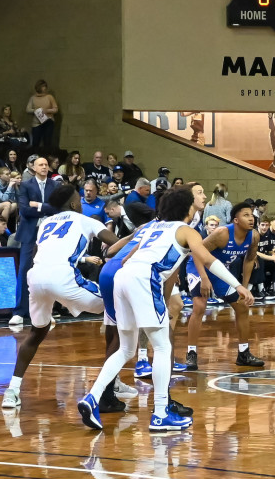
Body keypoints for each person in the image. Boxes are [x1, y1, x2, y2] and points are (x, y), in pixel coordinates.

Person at [78, 185, 251, 432]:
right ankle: (160, 414)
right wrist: (238, 286)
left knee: (126, 348)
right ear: (188, 207)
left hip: (123, 278)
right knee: (162, 346)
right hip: (144, 279)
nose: (199, 201)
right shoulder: (186, 230)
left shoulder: (150, 227)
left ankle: (92, 397)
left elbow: (126, 256)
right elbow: (208, 259)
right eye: (196, 199)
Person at [1, 182, 120, 410]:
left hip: (35, 278)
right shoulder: (86, 220)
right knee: (117, 308)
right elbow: (115, 243)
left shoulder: (46, 223)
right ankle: (109, 383)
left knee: (37, 333)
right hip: (63, 277)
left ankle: (12, 391)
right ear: (75, 203)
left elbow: (38, 253)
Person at [181, 200, 264, 371]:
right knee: (200, 305)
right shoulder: (222, 233)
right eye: (246, 215)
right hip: (199, 268)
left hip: (220, 271)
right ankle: (191, 353)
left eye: (252, 215)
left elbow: (249, 260)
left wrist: (244, 287)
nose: (251, 219)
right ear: (235, 220)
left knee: (242, 307)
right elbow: (197, 252)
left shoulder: (254, 235)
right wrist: (204, 278)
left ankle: (243, 353)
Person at [11, 156, 58, 326]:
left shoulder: (55, 185)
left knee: (46, 272)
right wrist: (45, 209)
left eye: (46, 164)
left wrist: (38, 205)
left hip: (50, 233)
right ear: (34, 168)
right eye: (41, 165)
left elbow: (57, 208)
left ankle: (45, 312)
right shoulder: (25, 185)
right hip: (30, 232)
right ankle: (19, 312)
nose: (45, 167)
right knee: (24, 270)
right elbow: (24, 210)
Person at [26, 79, 58, 151]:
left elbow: (55, 109)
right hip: (36, 123)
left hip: (48, 121)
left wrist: (46, 110)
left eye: (45, 86)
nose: (45, 88)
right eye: (43, 86)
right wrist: (36, 110)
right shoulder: (33, 98)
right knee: (35, 142)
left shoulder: (49, 97)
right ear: (38, 87)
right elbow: (28, 109)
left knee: (47, 142)